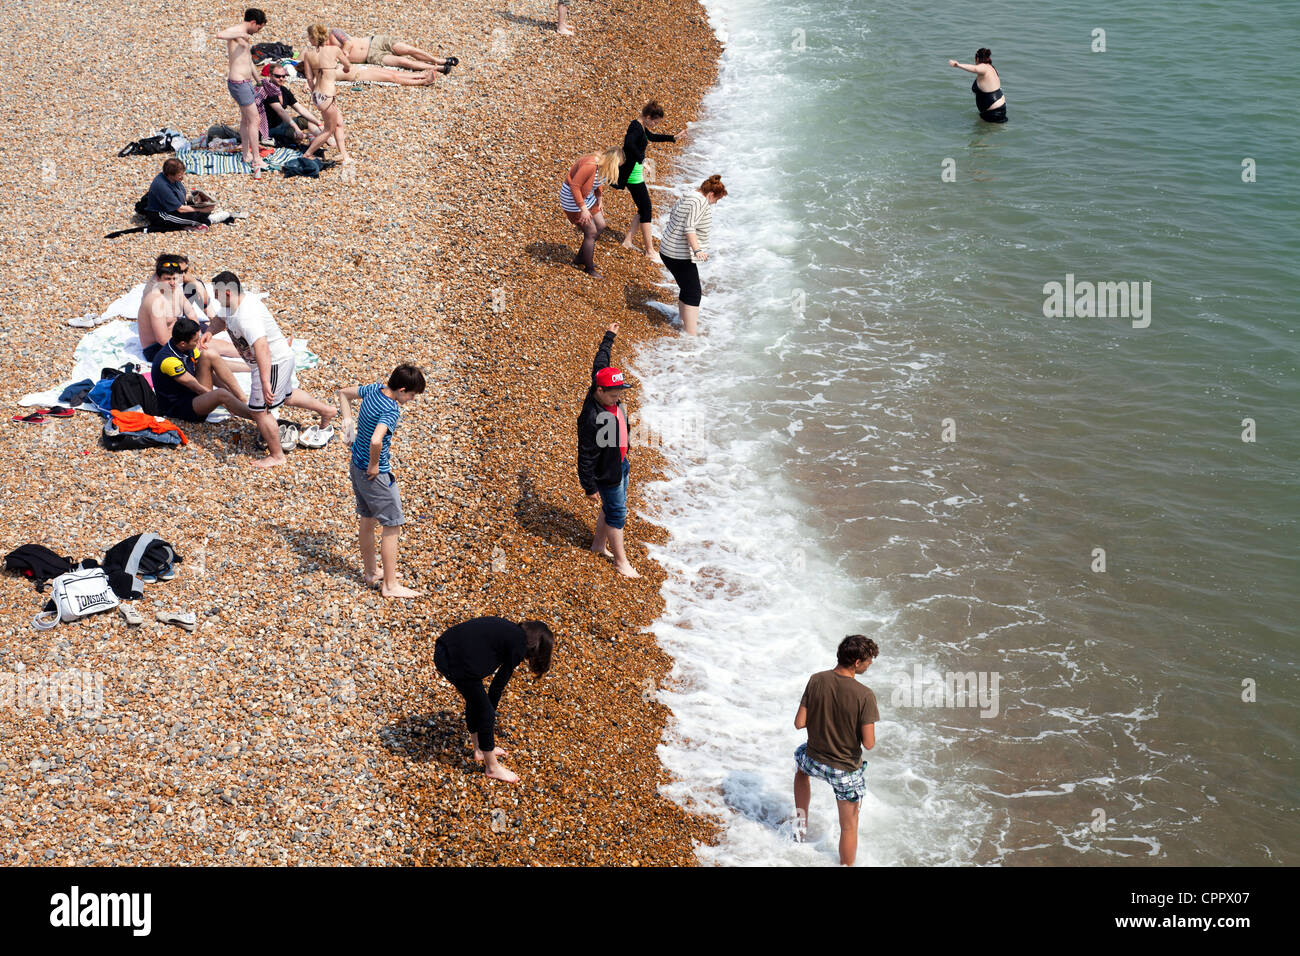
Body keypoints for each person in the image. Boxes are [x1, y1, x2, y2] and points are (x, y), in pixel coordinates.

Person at [207, 271, 337, 469]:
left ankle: (277, 456)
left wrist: (265, 381)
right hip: (279, 358)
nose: (214, 297)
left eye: (216, 293)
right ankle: (326, 410)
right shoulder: (232, 303)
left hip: (271, 363)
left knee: (260, 412)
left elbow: (262, 348)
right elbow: (220, 320)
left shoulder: (246, 316)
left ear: (227, 293)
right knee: (287, 397)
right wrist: (207, 333)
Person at [336, 365, 426, 599]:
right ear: (402, 389)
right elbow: (377, 441)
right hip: (374, 475)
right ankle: (390, 585)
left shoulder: (375, 389)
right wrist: (375, 465)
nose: (411, 399)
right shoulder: (391, 409)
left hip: (356, 465)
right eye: (411, 395)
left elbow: (343, 393)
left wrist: (348, 425)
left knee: (368, 517)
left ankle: (370, 572)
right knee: (392, 525)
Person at [793, 635, 881, 866]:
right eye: (869, 660)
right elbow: (869, 744)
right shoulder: (865, 695)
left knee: (801, 770)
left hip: (813, 759)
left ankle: (800, 828)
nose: (870, 663)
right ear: (856, 662)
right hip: (844, 770)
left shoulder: (816, 679)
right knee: (849, 827)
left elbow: (799, 722)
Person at [434, 616, 555, 782]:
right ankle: (492, 767)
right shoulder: (518, 646)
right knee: (485, 711)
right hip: (455, 661)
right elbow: (497, 686)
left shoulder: (509, 631)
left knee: (476, 701)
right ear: (537, 647)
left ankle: (478, 750)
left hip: (443, 649)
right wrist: (488, 715)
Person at [576, 323, 639, 578]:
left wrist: (609, 336)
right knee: (617, 512)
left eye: (620, 393)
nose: (618, 398)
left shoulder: (601, 380)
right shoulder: (592, 418)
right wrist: (589, 486)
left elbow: (601, 359)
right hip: (607, 471)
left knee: (612, 507)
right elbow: (586, 455)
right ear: (599, 390)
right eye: (614, 395)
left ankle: (598, 545)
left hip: (620, 461)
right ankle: (621, 562)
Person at [658, 174, 727, 334]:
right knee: (694, 293)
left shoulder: (689, 196)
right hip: (677, 254)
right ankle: (690, 336)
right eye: (716, 200)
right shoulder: (701, 201)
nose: (715, 203)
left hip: (667, 249)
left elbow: (673, 217)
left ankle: (682, 321)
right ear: (710, 194)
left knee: (687, 287)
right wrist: (698, 250)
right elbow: (689, 227)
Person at [150, 317, 254, 425]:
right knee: (221, 394)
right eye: (195, 340)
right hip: (181, 407)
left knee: (209, 354)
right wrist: (226, 402)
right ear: (182, 343)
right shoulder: (169, 361)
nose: (198, 342)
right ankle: (258, 418)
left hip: (192, 395)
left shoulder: (186, 347)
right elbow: (197, 387)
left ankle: (242, 398)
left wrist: (233, 397)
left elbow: (211, 372)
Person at [616, 101, 686, 258]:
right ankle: (649, 250)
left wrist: (673, 137)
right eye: (654, 121)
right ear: (647, 116)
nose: (655, 124)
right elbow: (628, 144)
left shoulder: (641, 127)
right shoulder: (635, 127)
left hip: (635, 173)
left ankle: (628, 241)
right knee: (646, 209)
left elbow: (652, 137)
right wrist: (642, 160)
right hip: (632, 175)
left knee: (643, 208)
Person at [216, 9, 268, 177]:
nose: (257, 32)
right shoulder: (236, 31)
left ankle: (246, 153)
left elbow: (248, 60)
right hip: (238, 83)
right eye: (258, 28)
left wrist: (259, 81)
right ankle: (255, 158)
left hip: (246, 83)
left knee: (246, 119)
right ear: (253, 22)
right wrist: (240, 34)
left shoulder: (244, 35)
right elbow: (220, 34)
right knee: (255, 119)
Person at [560, 148, 623, 277]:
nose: (617, 169)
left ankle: (580, 258)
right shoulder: (590, 165)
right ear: (611, 162)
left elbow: (598, 181)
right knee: (591, 232)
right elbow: (575, 186)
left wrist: (599, 198)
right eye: (617, 166)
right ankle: (589, 268)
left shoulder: (602, 166)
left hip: (586, 195)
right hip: (572, 198)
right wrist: (583, 209)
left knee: (601, 225)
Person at [138, 261, 209, 361]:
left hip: (177, 339)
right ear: (158, 279)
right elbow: (162, 339)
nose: (172, 283)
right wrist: (192, 347)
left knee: (212, 345)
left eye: (174, 279)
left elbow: (191, 313)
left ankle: (239, 355)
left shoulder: (176, 290)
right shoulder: (155, 300)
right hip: (156, 349)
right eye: (168, 279)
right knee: (207, 356)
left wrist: (198, 337)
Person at [302, 24, 351, 164]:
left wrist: (315, 93)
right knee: (328, 130)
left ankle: (345, 155)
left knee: (339, 123)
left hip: (318, 95)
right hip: (328, 95)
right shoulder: (335, 50)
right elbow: (348, 66)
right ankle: (308, 154)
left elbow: (309, 79)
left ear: (313, 38)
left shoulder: (308, 54)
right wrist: (343, 68)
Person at [328, 27, 457, 74]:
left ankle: (439, 60)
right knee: (404, 62)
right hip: (371, 56)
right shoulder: (324, 53)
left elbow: (348, 43)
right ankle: (439, 68)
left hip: (375, 41)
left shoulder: (334, 33)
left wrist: (343, 54)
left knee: (409, 49)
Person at [143, 158, 219, 232]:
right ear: (170, 175)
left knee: (203, 209)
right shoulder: (163, 186)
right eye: (180, 175)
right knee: (200, 217)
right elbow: (180, 209)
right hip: (161, 215)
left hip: (175, 207)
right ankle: (204, 222)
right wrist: (202, 210)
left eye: (183, 173)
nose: (183, 177)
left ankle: (198, 221)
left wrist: (197, 200)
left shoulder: (174, 179)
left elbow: (182, 196)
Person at [262, 66, 325, 145]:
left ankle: (326, 139)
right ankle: (309, 137)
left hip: (281, 124)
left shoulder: (283, 90)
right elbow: (281, 112)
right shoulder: (268, 90)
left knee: (308, 120)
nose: (281, 78)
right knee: (295, 136)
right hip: (268, 130)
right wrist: (297, 128)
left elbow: (300, 109)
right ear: (270, 76)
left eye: (283, 76)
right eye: (277, 76)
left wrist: (319, 123)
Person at [949, 48, 1007, 123]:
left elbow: (975, 69)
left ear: (977, 58)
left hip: (993, 110)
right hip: (999, 106)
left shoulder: (983, 67)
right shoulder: (991, 67)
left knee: (981, 133)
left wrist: (958, 65)